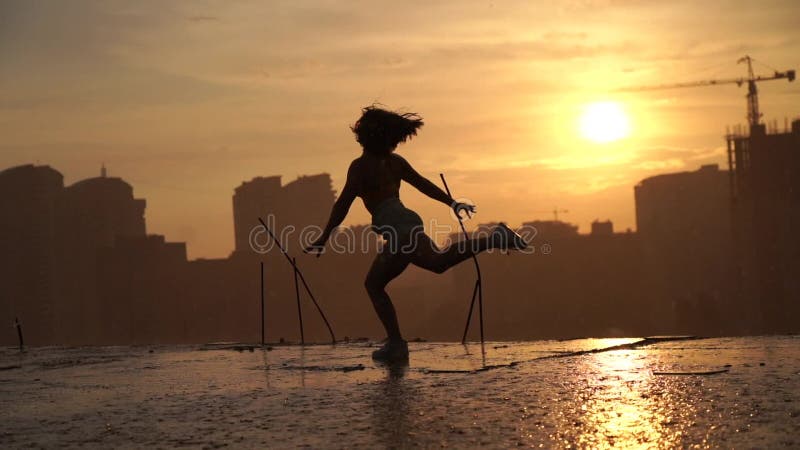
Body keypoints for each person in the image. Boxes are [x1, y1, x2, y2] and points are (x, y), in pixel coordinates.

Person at [304, 105, 528, 362]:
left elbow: (342, 204)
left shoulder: (360, 167)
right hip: (409, 223)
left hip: (398, 232)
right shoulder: (395, 163)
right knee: (439, 263)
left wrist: (324, 237)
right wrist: (452, 203)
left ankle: (397, 344)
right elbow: (423, 185)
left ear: (363, 136)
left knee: (374, 285)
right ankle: (495, 238)